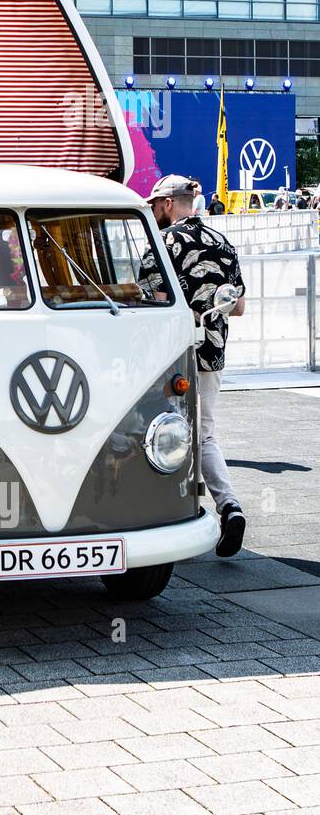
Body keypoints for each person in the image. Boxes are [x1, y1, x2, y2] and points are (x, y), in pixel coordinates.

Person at [140, 174, 247, 558]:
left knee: (160, 433)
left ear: (168, 203)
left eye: (154, 204)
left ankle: (172, 512)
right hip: (212, 354)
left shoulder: (162, 244)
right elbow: (239, 306)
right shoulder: (223, 243)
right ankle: (228, 505)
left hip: (170, 358)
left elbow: (151, 301)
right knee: (204, 435)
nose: (153, 211)